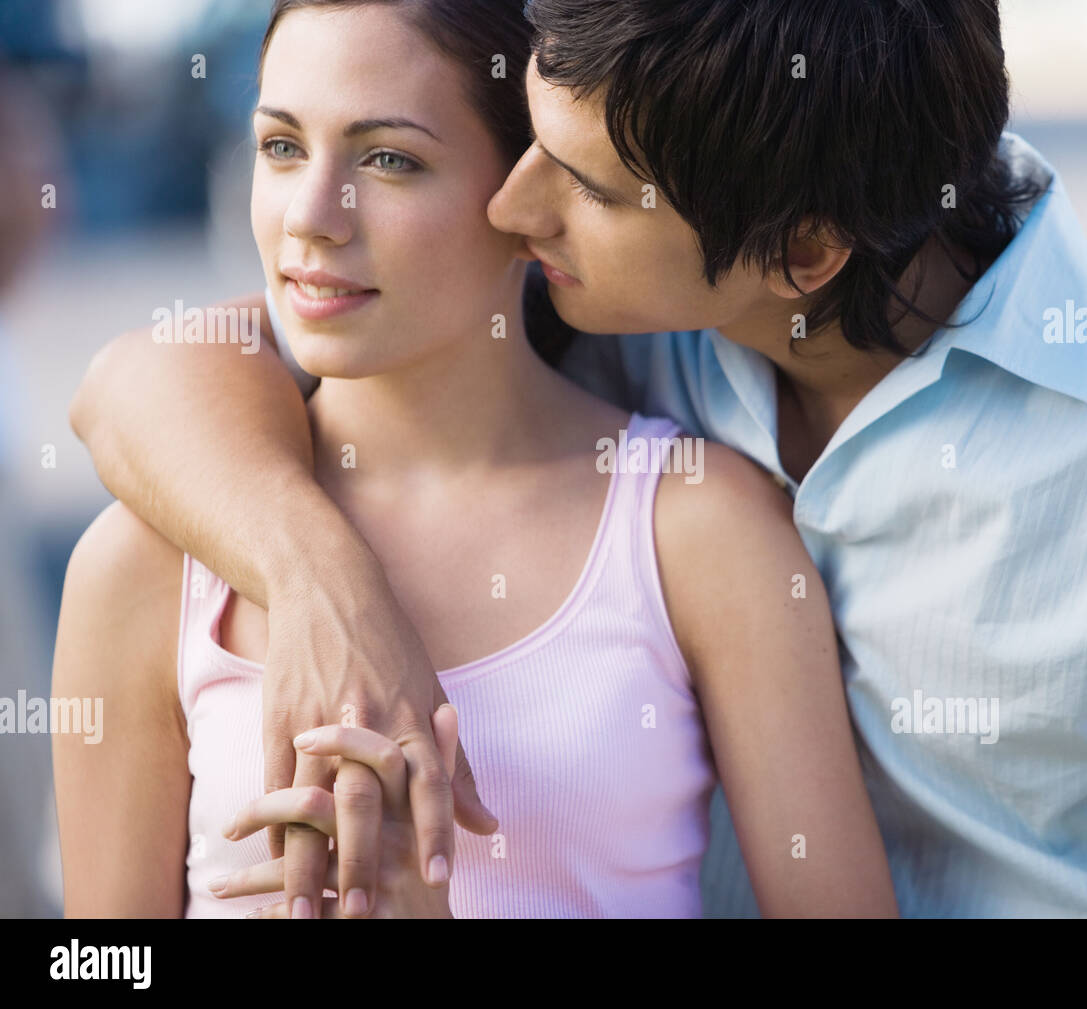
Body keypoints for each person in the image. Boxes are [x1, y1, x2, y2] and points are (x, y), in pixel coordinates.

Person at [72, 0, 1087, 918]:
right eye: (278, 144)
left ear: (803, 251)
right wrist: (321, 583)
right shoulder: (598, 310)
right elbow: (138, 382)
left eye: (588, 188)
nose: (513, 207)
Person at [51, 0, 896, 918]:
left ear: (533, 188)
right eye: (282, 146)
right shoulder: (143, 566)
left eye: (390, 159)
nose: (311, 217)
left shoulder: (699, 532)